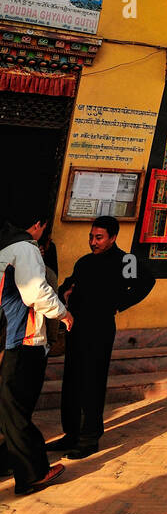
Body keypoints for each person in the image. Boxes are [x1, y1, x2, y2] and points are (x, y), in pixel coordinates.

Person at [53, 216, 155, 459]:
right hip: (76, 327)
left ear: (113, 238)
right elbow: (69, 284)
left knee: (92, 381)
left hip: (100, 329)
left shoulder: (126, 261)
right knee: (72, 381)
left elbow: (146, 282)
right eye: (91, 237)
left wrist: (119, 304)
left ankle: (89, 439)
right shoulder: (85, 261)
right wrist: (64, 293)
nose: (93, 242)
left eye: (99, 238)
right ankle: (71, 434)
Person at [0, 196, 73, 495]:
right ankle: (32, 473)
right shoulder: (24, 248)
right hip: (24, 341)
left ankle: (9, 461)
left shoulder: (4, 248)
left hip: (8, 339)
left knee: (10, 407)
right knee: (17, 410)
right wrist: (64, 313)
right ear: (37, 225)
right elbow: (36, 292)